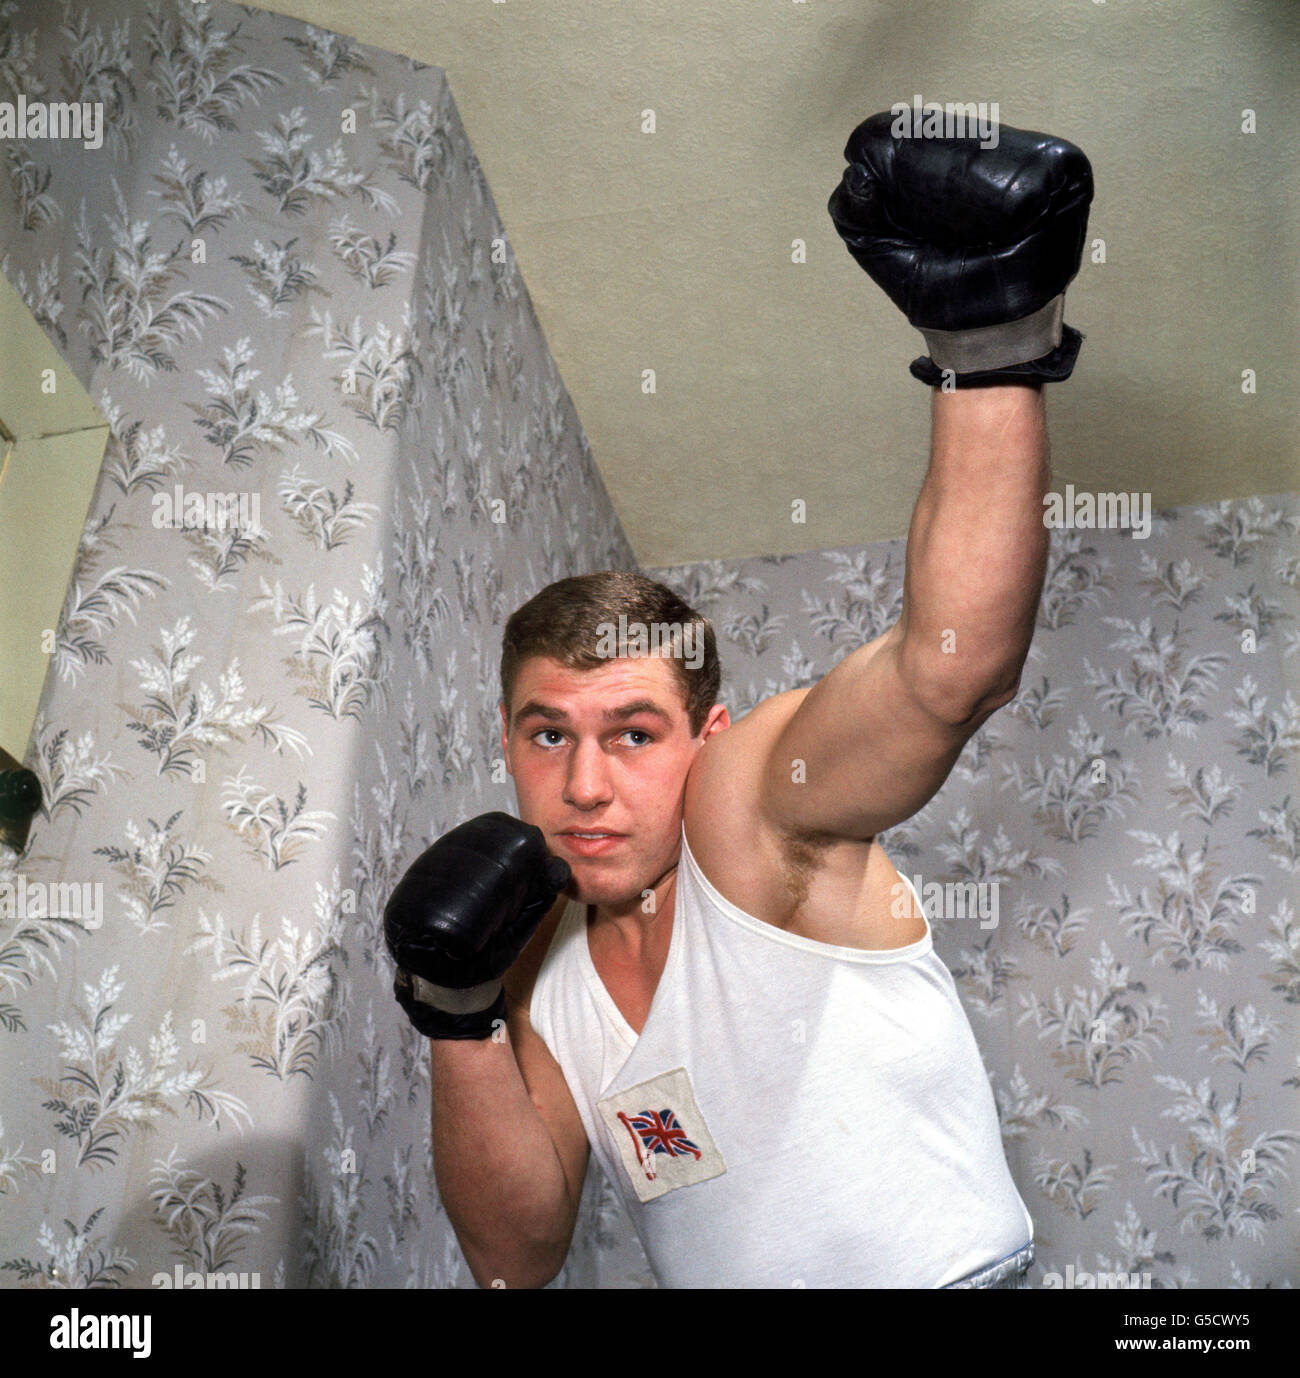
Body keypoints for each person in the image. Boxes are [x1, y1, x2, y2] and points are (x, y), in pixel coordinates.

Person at [384, 109, 1094, 1288]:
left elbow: (950, 669)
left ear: (707, 738)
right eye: (545, 732)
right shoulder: (533, 964)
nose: (584, 783)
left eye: (635, 732)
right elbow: (516, 1258)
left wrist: (990, 339)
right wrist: (454, 1019)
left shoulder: (746, 815)